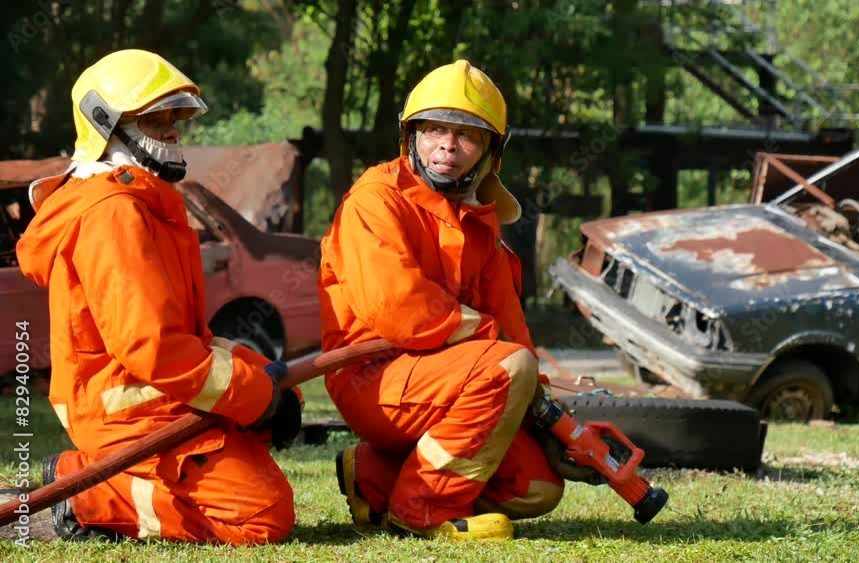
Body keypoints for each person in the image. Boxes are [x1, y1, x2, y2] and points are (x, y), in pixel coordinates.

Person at [16, 49, 301, 544]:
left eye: (176, 117)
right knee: (264, 516)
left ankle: (88, 476)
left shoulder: (145, 204)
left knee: (260, 442)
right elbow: (155, 349)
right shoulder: (114, 214)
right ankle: (83, 494)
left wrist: (265, 380)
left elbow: (191, 337)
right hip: (126, 413)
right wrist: (255, 395)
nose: (171, 130)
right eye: (155, 117)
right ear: (109, 124)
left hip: (153, 400)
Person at [319, 60, 564, 541]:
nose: (447, 146)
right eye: (434, 130)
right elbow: (398, 306)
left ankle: (372, 474)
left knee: (536, 487)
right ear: (411, 136)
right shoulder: (376, 198)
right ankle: (421, 510)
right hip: (373, 378)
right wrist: (503, 357)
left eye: (467, 135)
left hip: (452, 380)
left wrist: (544, 416)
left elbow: (513, 330)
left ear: (491, 151)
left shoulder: (478, 220)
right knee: (507, 367)